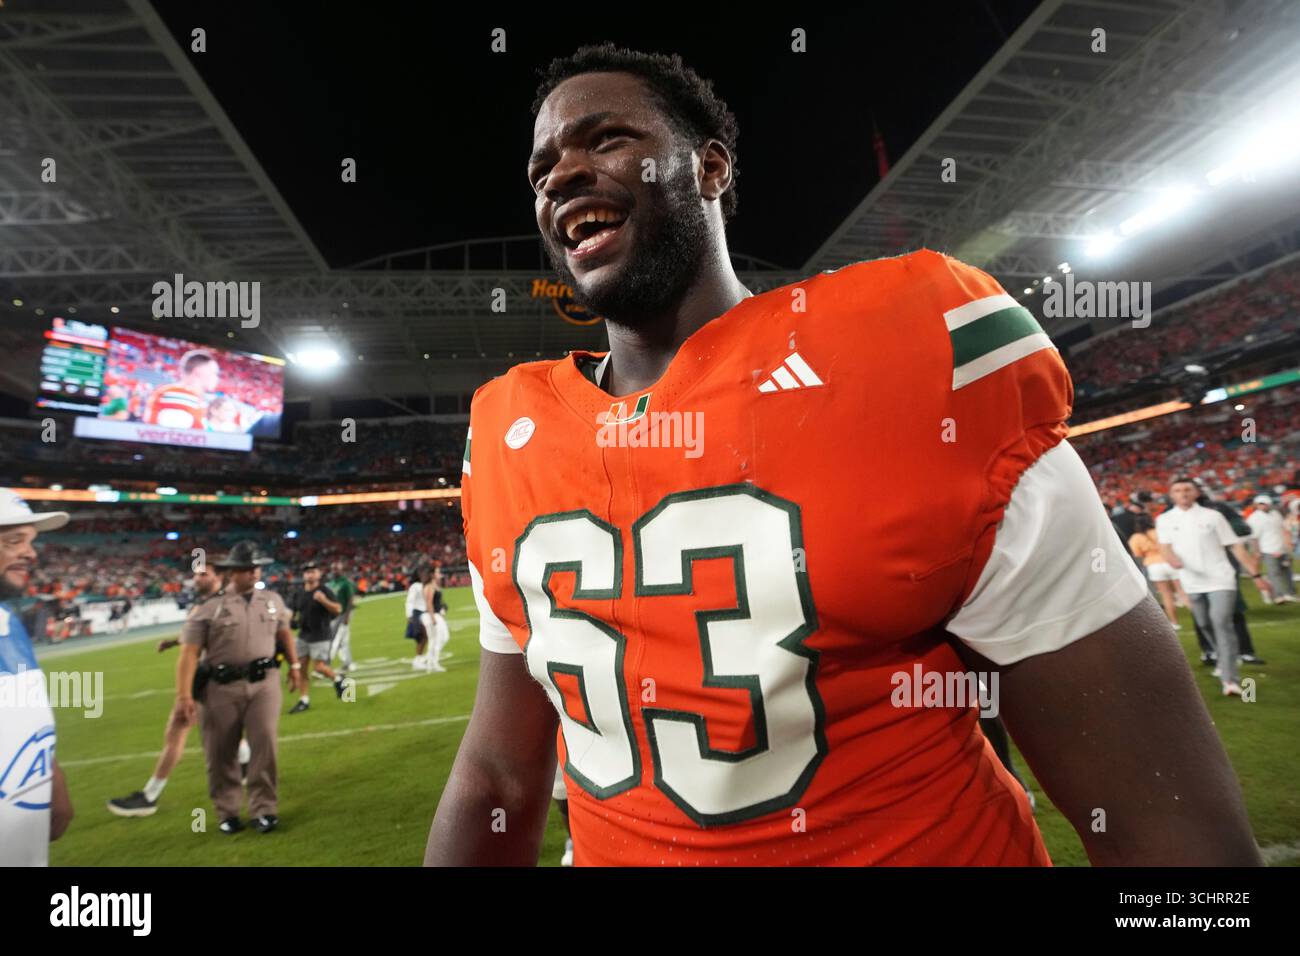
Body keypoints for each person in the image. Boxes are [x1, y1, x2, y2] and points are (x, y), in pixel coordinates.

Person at [425, 46, 1261, 867]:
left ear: (711, 168)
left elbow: (1164, 825)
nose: (563, 173)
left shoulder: (904, 357)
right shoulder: (508, 430)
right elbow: (498, 774)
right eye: (542, 169)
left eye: (607, 140)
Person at [175, 540, 304, 834]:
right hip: (220, 687)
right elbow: (189, 653)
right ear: (232, 573)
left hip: (264, 682)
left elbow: (284, 635)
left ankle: (264, 809)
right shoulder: (208, 608)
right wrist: (184, 695)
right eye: (247, 568)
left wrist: (295, 667)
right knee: (220, 752)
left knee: (265, 745)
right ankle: (227, 812)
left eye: (257, 567)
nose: (254, 573)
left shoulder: (273, 600)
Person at [106, 562, 249, 817]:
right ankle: (247, 767)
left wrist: (185, 693)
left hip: (209, 677)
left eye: (204, 574)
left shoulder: (219, 605)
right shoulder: (214, 604)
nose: (197, 578)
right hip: (214, 677)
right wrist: (173, 642)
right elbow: (200, 636)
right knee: (224, 727)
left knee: (179, 730)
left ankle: (149, 796)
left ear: (219, 577)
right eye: (195, 574)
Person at [0, 490, 74, 864]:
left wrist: (52, 776)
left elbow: (25, 712)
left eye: (31, 541)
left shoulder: (9, 623)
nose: (31, 553)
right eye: (15, 541)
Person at [1157, 478, 1271, 696]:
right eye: (1178, 490)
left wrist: (1255, 574)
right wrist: (1172, 560)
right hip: (1192, 581)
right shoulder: (1165, 519)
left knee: (1221, 622)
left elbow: (1235, 546)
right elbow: (1164, 548)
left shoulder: (1213, 516)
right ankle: (1222, 657)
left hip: (1221, 578)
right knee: (1203, 623)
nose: (1183, 493)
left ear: (1197, 492)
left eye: (1187, 489)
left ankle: (1231, 680)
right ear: (1171, 495)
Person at [287, 561, 345, 714]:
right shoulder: (298, 593)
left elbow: (338, 609)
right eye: (307, 572)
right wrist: (289, 620)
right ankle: (304, 700)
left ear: (319, 574)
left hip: (321, 634)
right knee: (301, 669)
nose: (310, 574)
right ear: (303, 575)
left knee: (319, 667)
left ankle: (339, 678)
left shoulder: (325, 590)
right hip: (304, 635)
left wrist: (323, 600)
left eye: (313, 571)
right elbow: (290, 611)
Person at [1129, 513, 1188, 626]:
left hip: (1153, 566)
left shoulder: (1136, 537)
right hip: (1169, 562)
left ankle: (1175, 622)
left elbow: (1137, 554)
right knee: (1182, 592)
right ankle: (1198, 618)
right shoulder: (1159, 532)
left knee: (1166, 595)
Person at [144, 349, 219, 430]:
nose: (217, 378)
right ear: (198, 372)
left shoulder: (186, 394)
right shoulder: (180, 394)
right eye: (214, 373)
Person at [1247, 494, 1296, 602]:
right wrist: (1257, 551)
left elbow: (1282, 529)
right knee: (1274, 573)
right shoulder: (1254, 518)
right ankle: (1278, 595)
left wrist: (1287, 546)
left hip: (1281, 548)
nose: (1263, 506)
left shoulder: (1275, 514)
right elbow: (1254, 538)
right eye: (1261, 504)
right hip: (1267, 549)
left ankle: (1290, 593)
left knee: (1287, 572)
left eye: (1265, 503)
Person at [327, 560, 357, 673]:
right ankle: (347, 662)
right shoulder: (331, 583)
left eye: (337, 569)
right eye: (333, 569)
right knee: (342, 640)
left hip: (343, 613)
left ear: (341, 570)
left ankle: (326, 663)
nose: (334, 571)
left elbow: (351, 599)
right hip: (333, 616)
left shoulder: (345, 583)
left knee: (336, 639)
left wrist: (347, 616)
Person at [405, 563, 434, 671]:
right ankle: (417, 659)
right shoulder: (415, 586)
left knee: (426, 636)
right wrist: (409, 615)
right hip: (417, 613)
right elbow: (410, 601)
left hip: (424, 612)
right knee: (422, 636)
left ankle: (420, 658)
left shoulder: (425, 585)